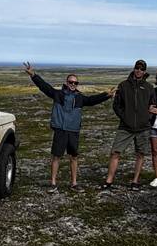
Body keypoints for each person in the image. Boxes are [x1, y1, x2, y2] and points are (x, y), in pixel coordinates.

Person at [23, 62, 112, 190]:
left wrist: (106, 95)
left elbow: (92, 100)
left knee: (74, 157)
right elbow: (44, 86)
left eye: (75, 83)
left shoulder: (80, 98)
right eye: (71, 82)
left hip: (73, 130)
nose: (73, 84)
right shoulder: (57, 94)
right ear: (66, 82)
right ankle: (53, 183)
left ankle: (74, 183)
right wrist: (33, 75)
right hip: (60, 130)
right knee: (56, 157)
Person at [103, 59, 154, 189]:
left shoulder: (149, 88)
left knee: (140, 154)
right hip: (125, 127)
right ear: (134, 69)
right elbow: (116, 105)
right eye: (137, 68)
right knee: (115, 152)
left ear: (145, 71)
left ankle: (135, 181)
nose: (139, 71)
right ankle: (108, 181)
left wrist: (147, 118)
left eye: (142, 69)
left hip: (143, 128)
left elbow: (153, 106)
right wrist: (125, 117)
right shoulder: (123, 85)